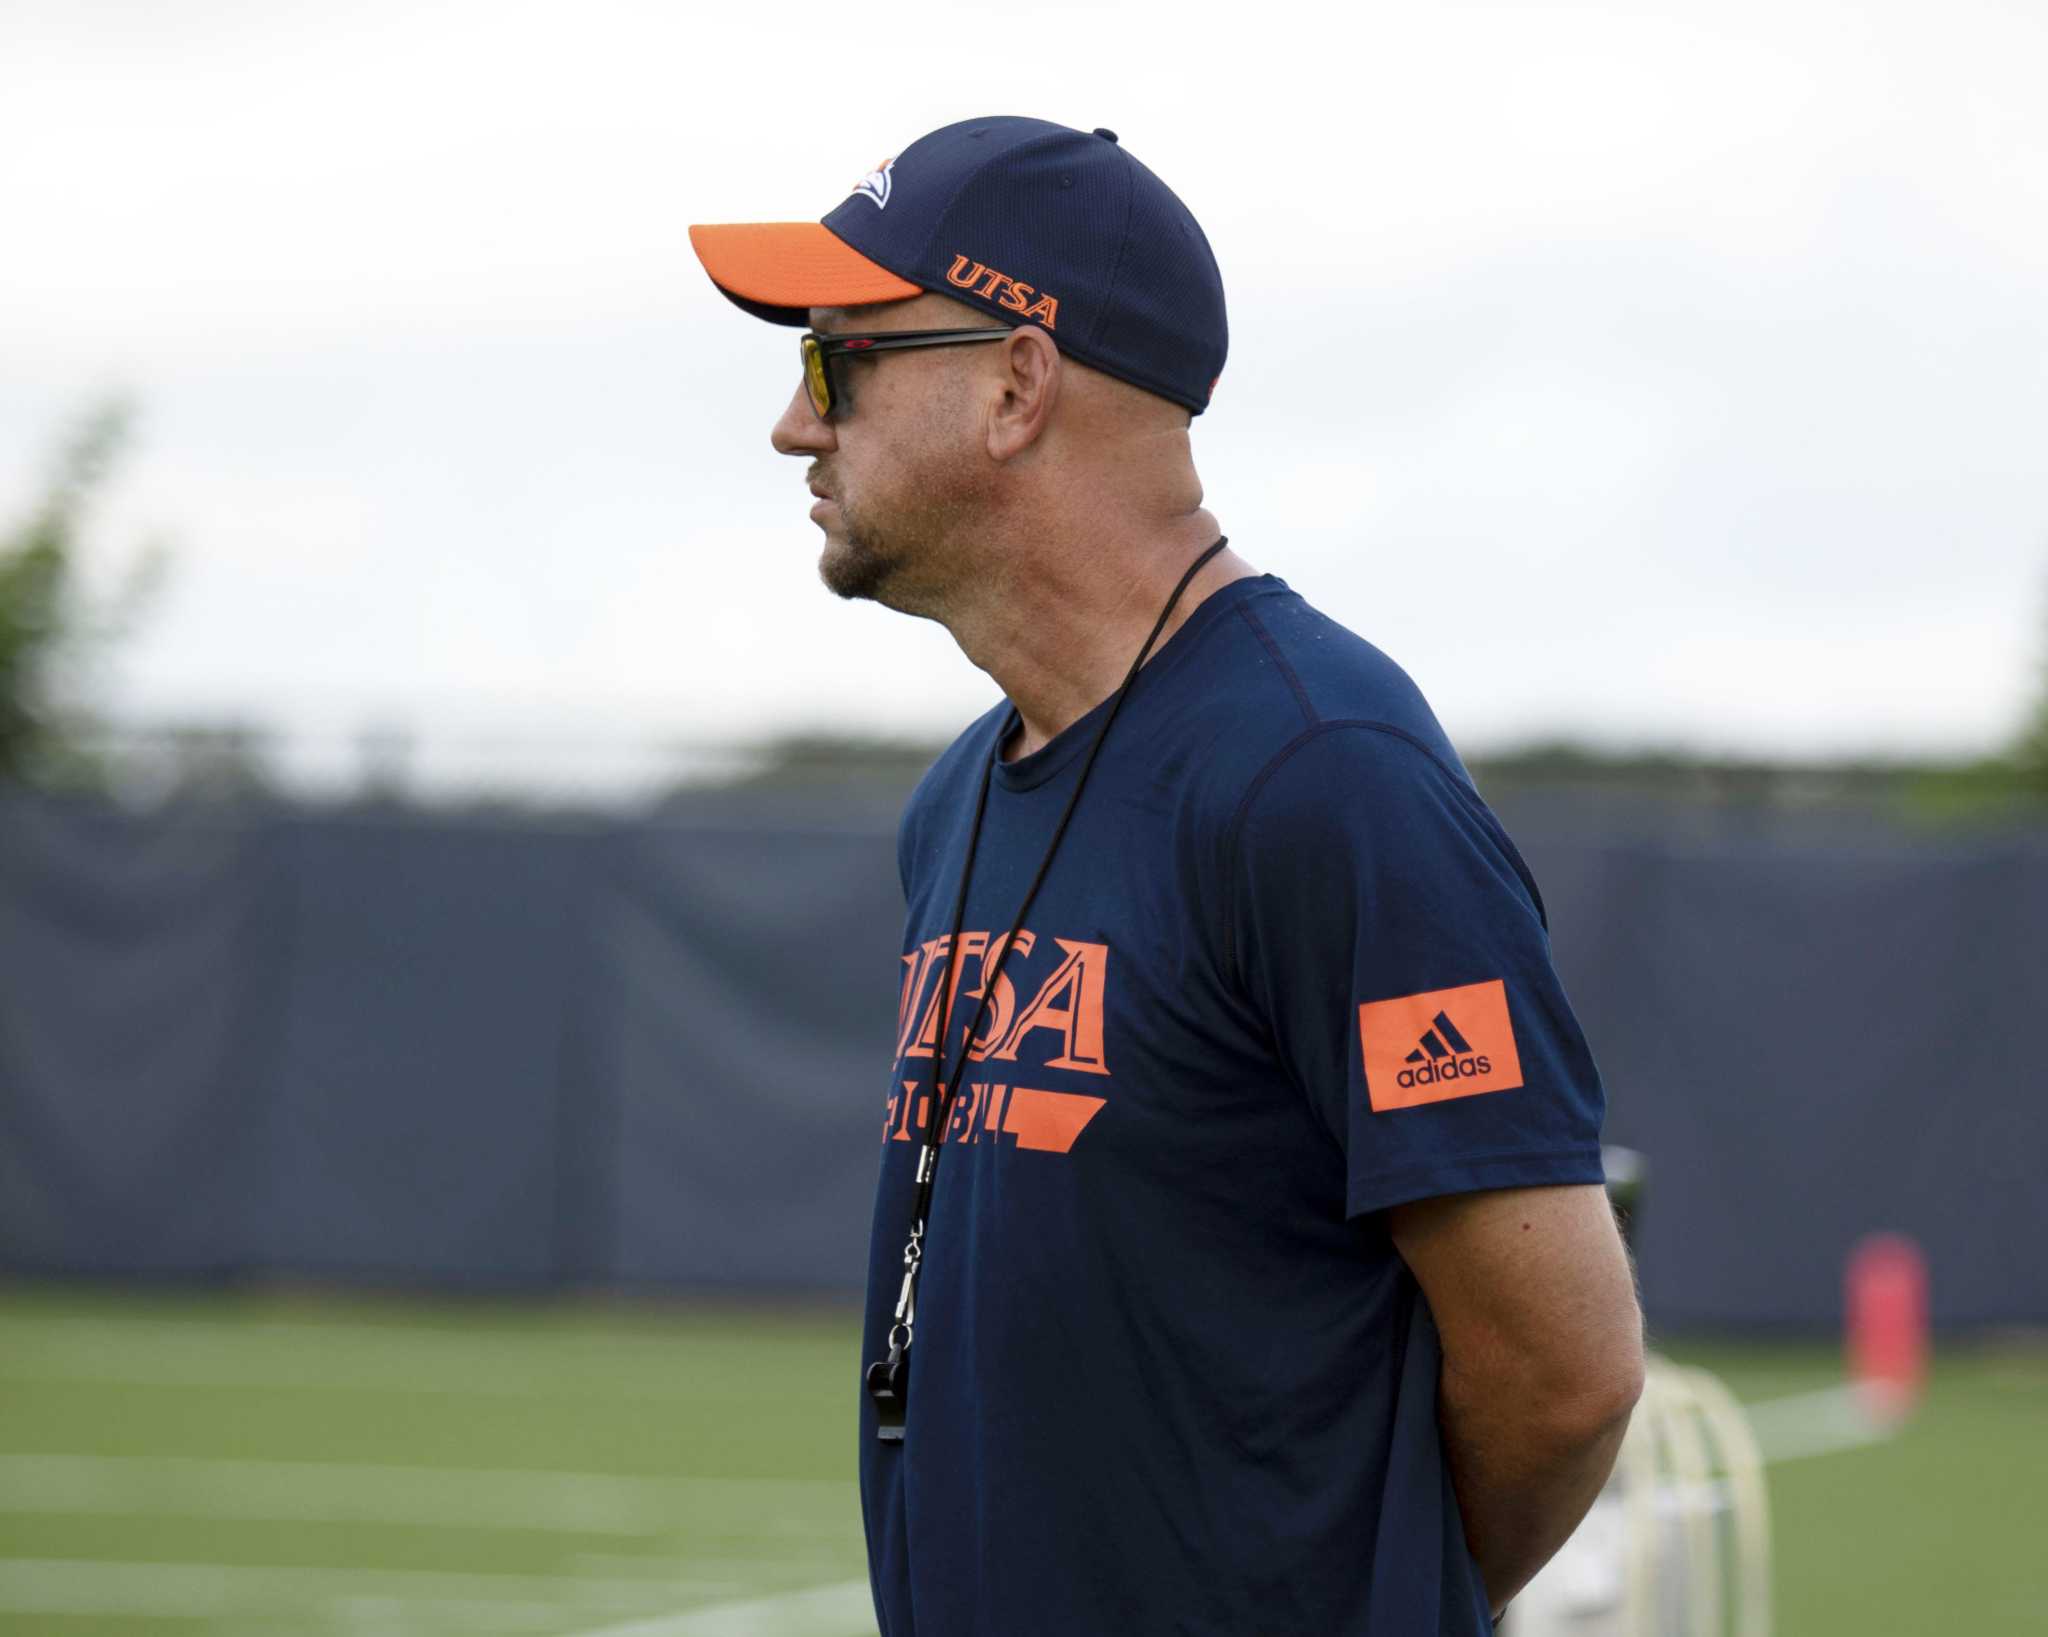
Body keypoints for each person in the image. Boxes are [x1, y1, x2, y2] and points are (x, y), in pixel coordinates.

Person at [690, 116, 1644, 1636]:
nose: (795, 428)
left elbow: (1566, 1372)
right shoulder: (957, 801)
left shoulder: (1322, 773)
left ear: (1016, 385)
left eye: (835, 362)